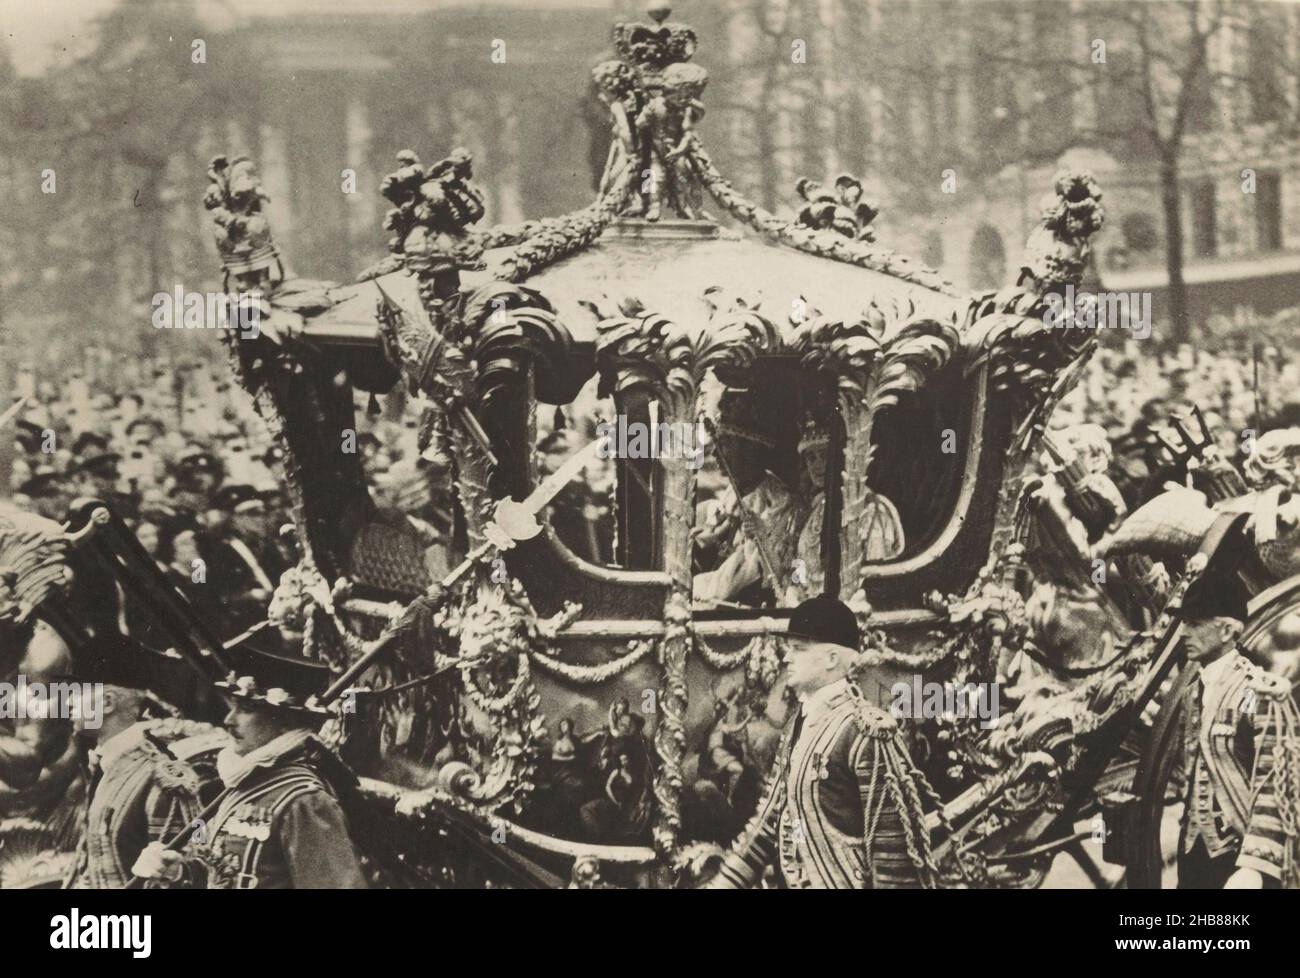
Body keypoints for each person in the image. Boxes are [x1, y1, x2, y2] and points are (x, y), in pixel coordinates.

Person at [704, 594, 937, 888]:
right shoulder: (799, 723)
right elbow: (767, 823)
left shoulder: (866, 731)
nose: (786, 657)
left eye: (799, 649)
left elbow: (894, 858)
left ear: (831, 659)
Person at [131, 641, 368, 889]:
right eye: (233, 707)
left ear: (285, 721)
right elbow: (224, 874)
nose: (228, 720)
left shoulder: (303, 800)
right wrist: (180, 872)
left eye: (245, 709)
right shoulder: (243, 781)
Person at [1175, 554, 1297, 889]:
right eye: (1185, 622)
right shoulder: (1193, 692)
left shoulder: (1260, 693)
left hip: (1241, 860)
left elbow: (1275, 784)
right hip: (1194, 853)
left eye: (1196, 623)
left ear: (1228, 630)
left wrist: (1254, 868)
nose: (1184, 632)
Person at [65, 642, 227, 888]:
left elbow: (197, 865)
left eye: (77, 692)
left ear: (108, 702)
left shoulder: (163, 780)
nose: (68, 701)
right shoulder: (104, 765)